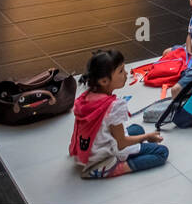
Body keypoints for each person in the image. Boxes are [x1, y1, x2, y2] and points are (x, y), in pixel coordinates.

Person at [69, 49, 167, 179]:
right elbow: (121, 143)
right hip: (104, 155)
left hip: (90, 150)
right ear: (104, 81)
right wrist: (147, 136)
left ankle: (105, 161)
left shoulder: (85, 97)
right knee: (161, 152)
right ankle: (114, 168)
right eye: (121, 71)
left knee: (137, 129)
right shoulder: (114, 106)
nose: (126, 73)